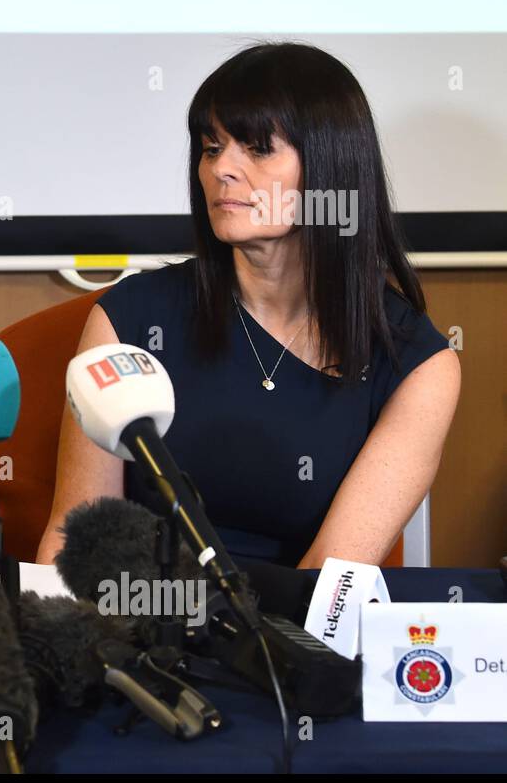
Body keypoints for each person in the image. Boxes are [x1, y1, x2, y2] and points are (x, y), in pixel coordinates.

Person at [35, 42, 459, 568]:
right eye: (212, 148)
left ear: (331, 170)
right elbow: (74, 539)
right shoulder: (128, 320)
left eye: (257, 149)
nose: (221, 170)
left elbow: (330, 580)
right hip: (140, 631)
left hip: (290, 637)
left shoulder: (417, 363)